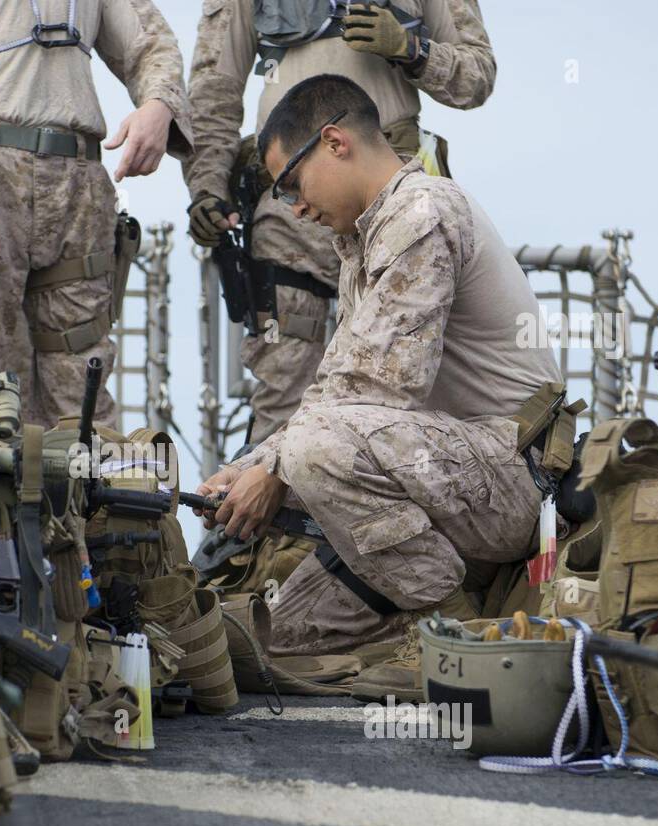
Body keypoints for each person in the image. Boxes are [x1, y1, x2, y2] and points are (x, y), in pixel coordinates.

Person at [193, 74, 563, 695]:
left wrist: (275, 469)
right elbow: (338, 392)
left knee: (313, 454)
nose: (293, 207)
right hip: (441, 481)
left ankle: (448, 629)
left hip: (508, 478)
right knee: (268, 641)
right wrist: (246, 469)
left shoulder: (423, 212)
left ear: (334, 143)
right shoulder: (361, 239)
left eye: (290, 184)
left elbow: (378, 390)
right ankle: (421, 605)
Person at [184, 0, 494, 442]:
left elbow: (476, 76)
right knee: (284, 369)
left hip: (391, 189)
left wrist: (412, 49)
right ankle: (276, 495)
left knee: (403, 360)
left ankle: (382, 484)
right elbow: (213, 90)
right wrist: (207, 187)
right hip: (292, 200)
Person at [0, 0, 193, 427]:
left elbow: (151, 42)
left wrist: (159, 104)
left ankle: (88, 492)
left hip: (78, 188)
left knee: (84, 389)